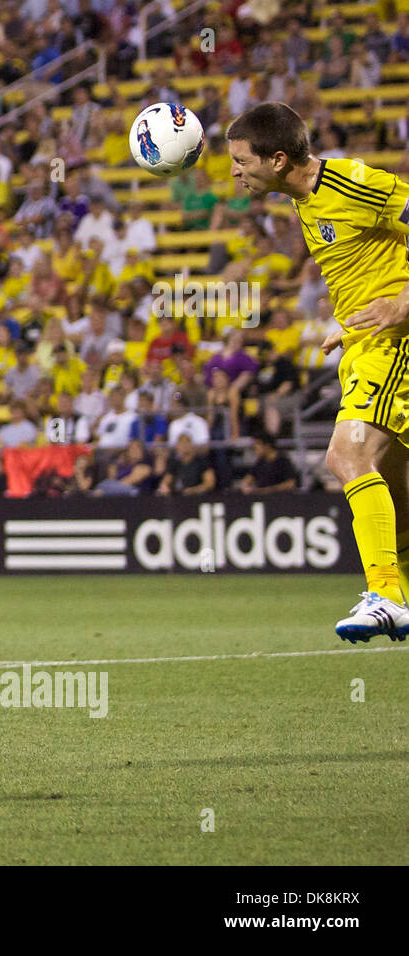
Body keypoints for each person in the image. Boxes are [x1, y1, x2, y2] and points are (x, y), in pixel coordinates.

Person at [230, 101, 409, 641]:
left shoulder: (353, 184)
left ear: (279, 159)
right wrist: (347, 323)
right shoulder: (303, 199)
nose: (234, 170)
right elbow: (367, 263)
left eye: (241, 160)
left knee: (345, 454)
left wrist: (402, 304)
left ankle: (386, 595)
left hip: (396, 342)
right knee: (398, 494)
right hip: (364, 341)